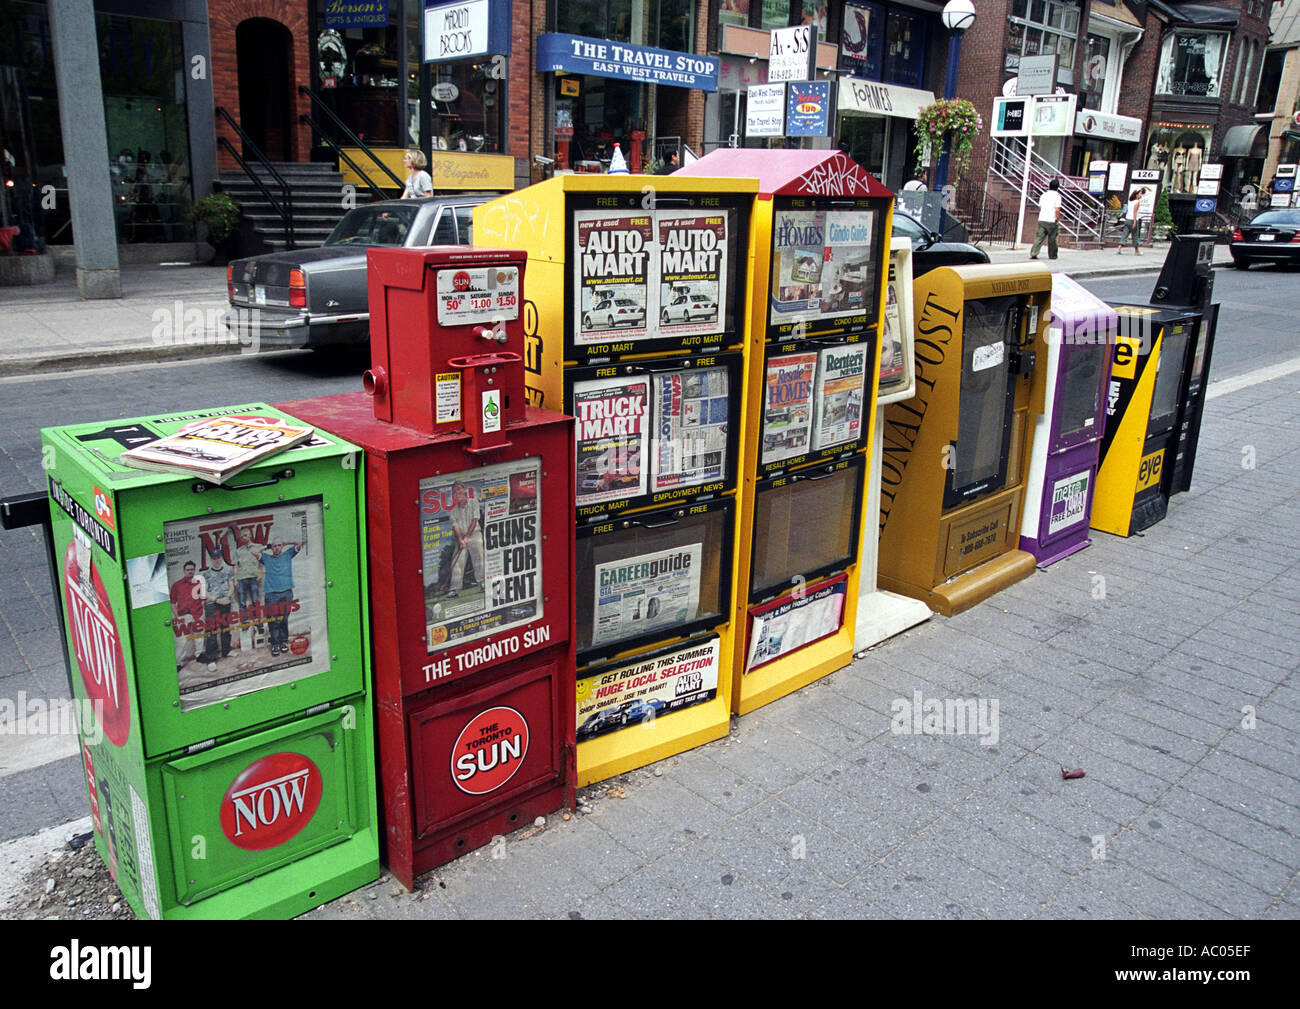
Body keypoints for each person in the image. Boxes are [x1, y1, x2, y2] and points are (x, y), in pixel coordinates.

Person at [259, 535, 303, 656]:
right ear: (271, 548)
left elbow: (300, 542)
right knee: (273, 620)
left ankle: (283, 642)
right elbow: (254, 552)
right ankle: (275, 644)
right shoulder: (266, 558)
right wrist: (268, 546)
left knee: (283, 619)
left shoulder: (288, 554)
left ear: (282, 546)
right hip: (271, 594)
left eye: (279, 545)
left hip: (286, 592)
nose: (277, 548)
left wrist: (286, 541)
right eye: (274, 546)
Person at [447, 481, 485, 598]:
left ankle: (483, 583)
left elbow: (475, 520)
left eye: (458, 489)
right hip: (461, 537)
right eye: (454, 492)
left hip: (474, 534)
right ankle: (454, 589)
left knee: (478, 554)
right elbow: (455, 526)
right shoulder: (453, 511)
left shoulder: (473, 502)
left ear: (464, 490)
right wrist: (460, 540)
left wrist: (467, 536)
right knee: (457, 561)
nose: (457, 493)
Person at [198, 546, 234, 668]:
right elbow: (205, 592)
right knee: (211, 629)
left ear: (221, 558)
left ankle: (226, 650)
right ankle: (211, 658)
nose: (217, 560)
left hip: (225, 601)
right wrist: (217, 600)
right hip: (212, 604)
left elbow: (232, 585)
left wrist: (228, 597)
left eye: (218, 557)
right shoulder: (205, 575)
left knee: (225, 627)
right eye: (214, 558)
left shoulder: (228, 571)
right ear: (211, 560)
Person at [228, 524, 265, 640]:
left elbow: (262, 562)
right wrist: (235, 579)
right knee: (242, 602)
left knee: (255, 601)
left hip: (254, 577)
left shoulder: (258, 547)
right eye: (241, 536)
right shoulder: (238, 551)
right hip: (242, 578)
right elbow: (235, 566)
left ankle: (259, 622)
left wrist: (261, 573)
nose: (243, 538)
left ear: (250, 535)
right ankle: (245, 623)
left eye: (245, 535)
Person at [169, 559, 204, 670]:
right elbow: (172, 602)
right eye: (188, 570)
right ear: (184, 571)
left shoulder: (199, 583)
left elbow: (203, 598)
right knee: (181, 640)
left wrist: (201, 610)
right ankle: (179, 663)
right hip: (183, 615)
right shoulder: (176, 585)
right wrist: (177, 617)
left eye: (192, 569)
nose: (190, 571)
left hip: (197, 614)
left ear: (194, 570)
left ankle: (199, 655)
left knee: (199, 636)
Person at [1030, 178, 1062, 260]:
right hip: (1051, 220)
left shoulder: (1043, 195)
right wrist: (1057, 219)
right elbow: (1057, 210)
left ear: (1049, 186)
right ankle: (1052, 255)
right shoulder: (1057, 196)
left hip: (1042, 218)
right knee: (1052, 239)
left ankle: (1034, 253)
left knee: (1039, 237)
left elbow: (1040, 207)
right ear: (1058, 187)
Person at [1118, 188, 1144, 255]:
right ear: (1136, 195)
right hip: (1133, 220)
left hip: (1127, 219)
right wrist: (1135, 222)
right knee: (1135, 235)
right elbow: (1135, 212)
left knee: (1125, 234)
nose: (1141, 195)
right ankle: (1137, 250)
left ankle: (1119, 248)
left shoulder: (1130, 202)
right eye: (1140, 194)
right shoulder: (1137, 202)